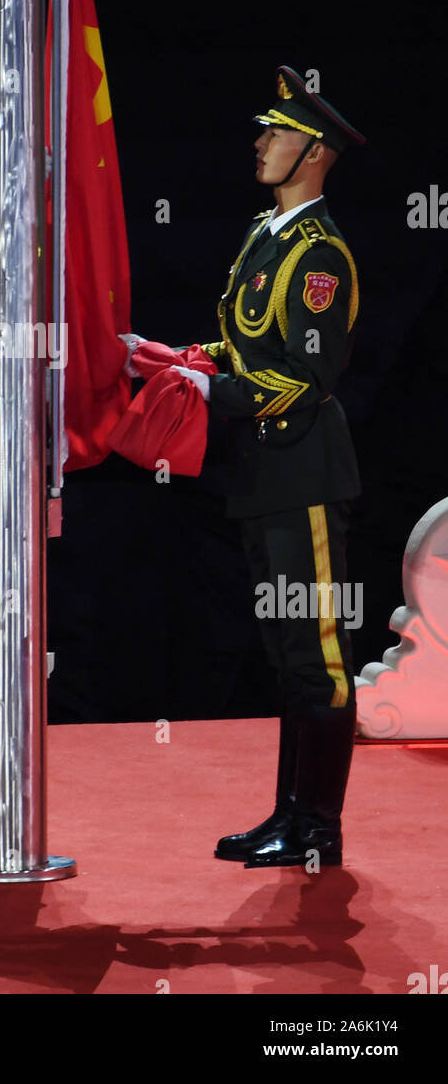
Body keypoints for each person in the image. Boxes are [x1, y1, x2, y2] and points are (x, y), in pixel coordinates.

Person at [172, 65, 365, 868]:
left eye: (277, 132)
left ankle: (319, 826)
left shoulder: (321, 259)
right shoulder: (266, 235)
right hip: (263, 475)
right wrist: (177, 357)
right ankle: (288, 814)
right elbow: (248, 345)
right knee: (284, 650)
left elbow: (304, 377)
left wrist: (210, 391)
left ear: (314, 152)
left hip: (305, 476)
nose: (260, 143)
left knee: (317, 653)